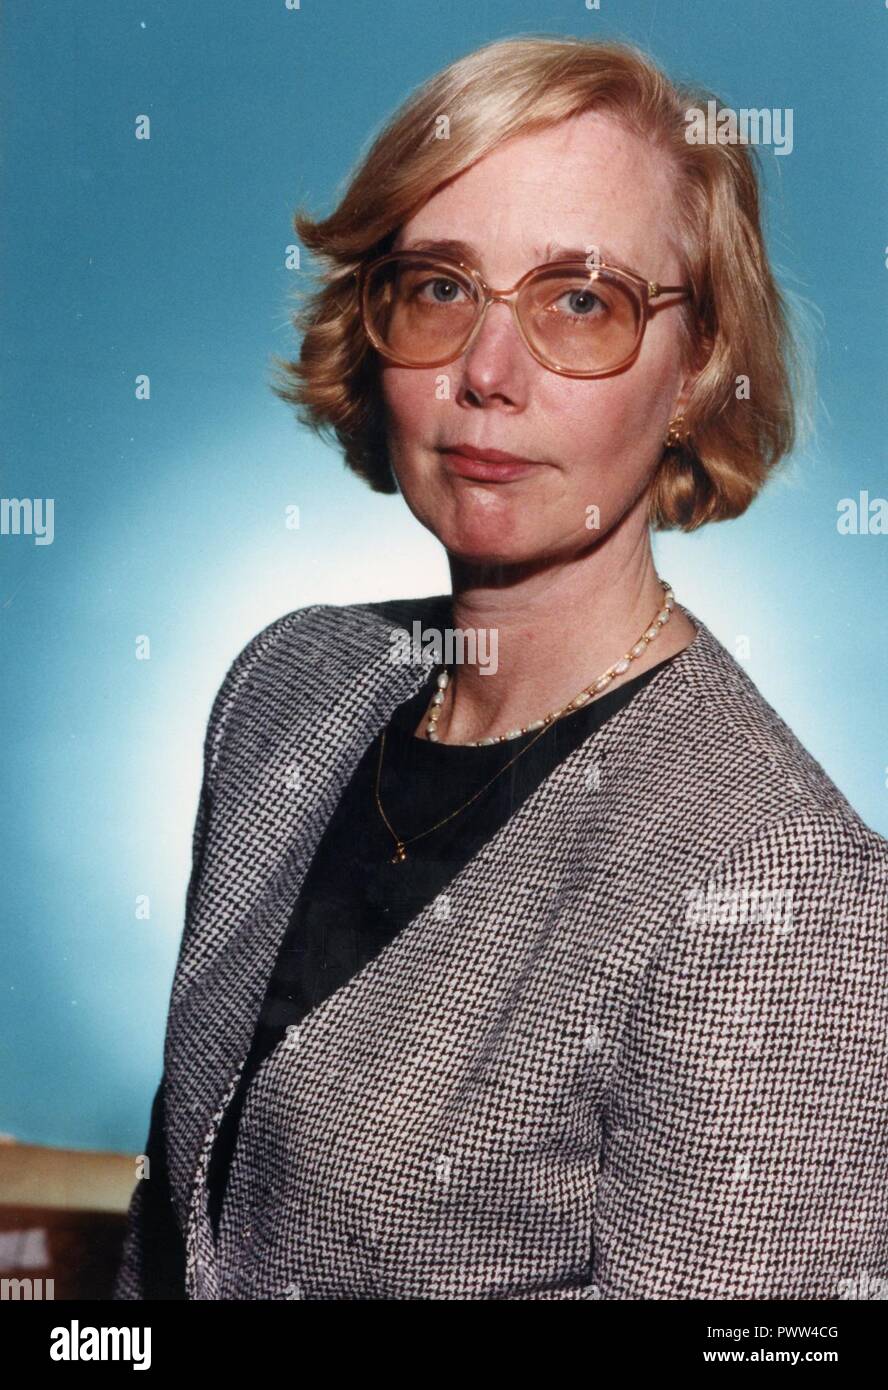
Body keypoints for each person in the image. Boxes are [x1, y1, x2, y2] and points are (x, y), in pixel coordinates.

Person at [114, 36, 888, 1301]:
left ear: (697, 370)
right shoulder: (289, 687)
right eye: (441, 289)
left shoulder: (781, 887)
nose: (487, 375)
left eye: (581, 300)